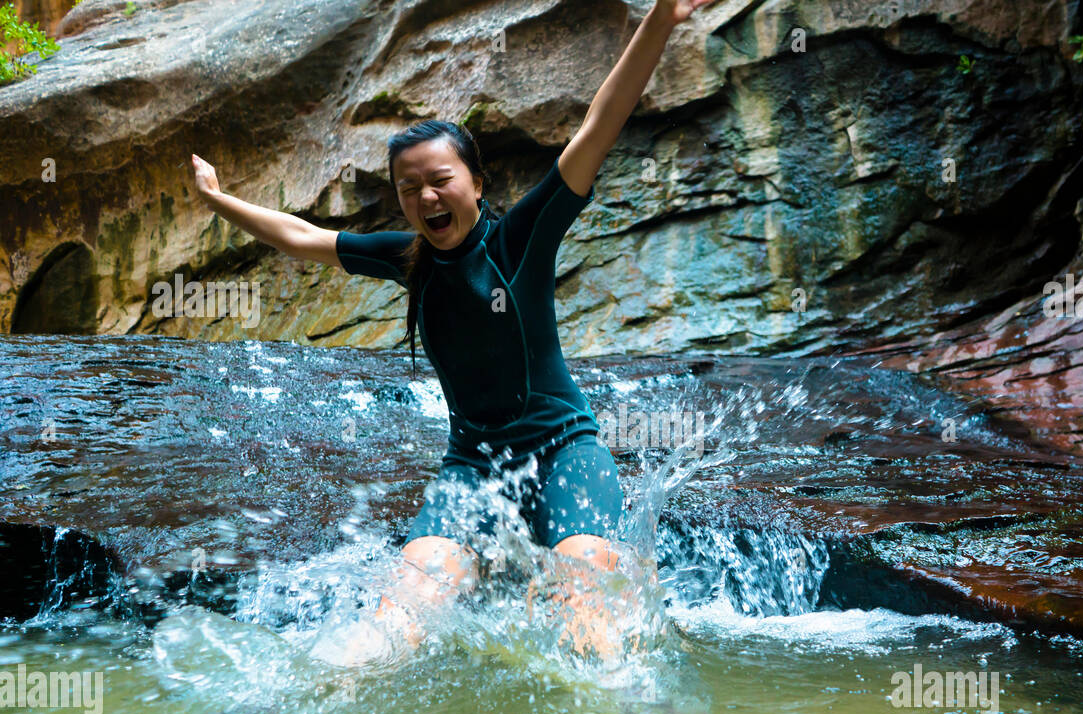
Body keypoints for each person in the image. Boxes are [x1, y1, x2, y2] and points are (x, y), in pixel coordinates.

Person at [190, 0, 721, 661]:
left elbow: (597, 127)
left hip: (565, 451)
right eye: (409, 188)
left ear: (476, 182)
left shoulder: (523, 237)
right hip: (472, 466)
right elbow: (302, 236)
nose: (426, 198)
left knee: (587, 582)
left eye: (440, 180)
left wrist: (661, 21)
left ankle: (620, 712)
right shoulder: (404, 257)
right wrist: (218, 201)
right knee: (407, 600)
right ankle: (334, 685)